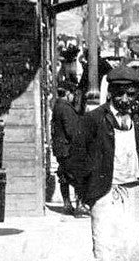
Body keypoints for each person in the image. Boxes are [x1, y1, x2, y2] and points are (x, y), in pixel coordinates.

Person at [68, 65, 139, 261]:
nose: (125, 99)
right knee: (106, 250)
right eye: (120, 94)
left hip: (132, 193)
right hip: (104, 194)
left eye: (130, 95)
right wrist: (88, 193)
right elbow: (75, 160)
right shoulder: (93, 120)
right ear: (111, 93)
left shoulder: (136, 122)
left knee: (134, 249)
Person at [52, 75, 83, 215]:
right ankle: (79, 205)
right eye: (73, 94)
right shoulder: (66, 108)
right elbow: (72, 131)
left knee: (63, 175)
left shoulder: (57, 106)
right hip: (68, 148)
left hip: (60, 149)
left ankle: (67, 204)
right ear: (68, 93)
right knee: (78, 175)